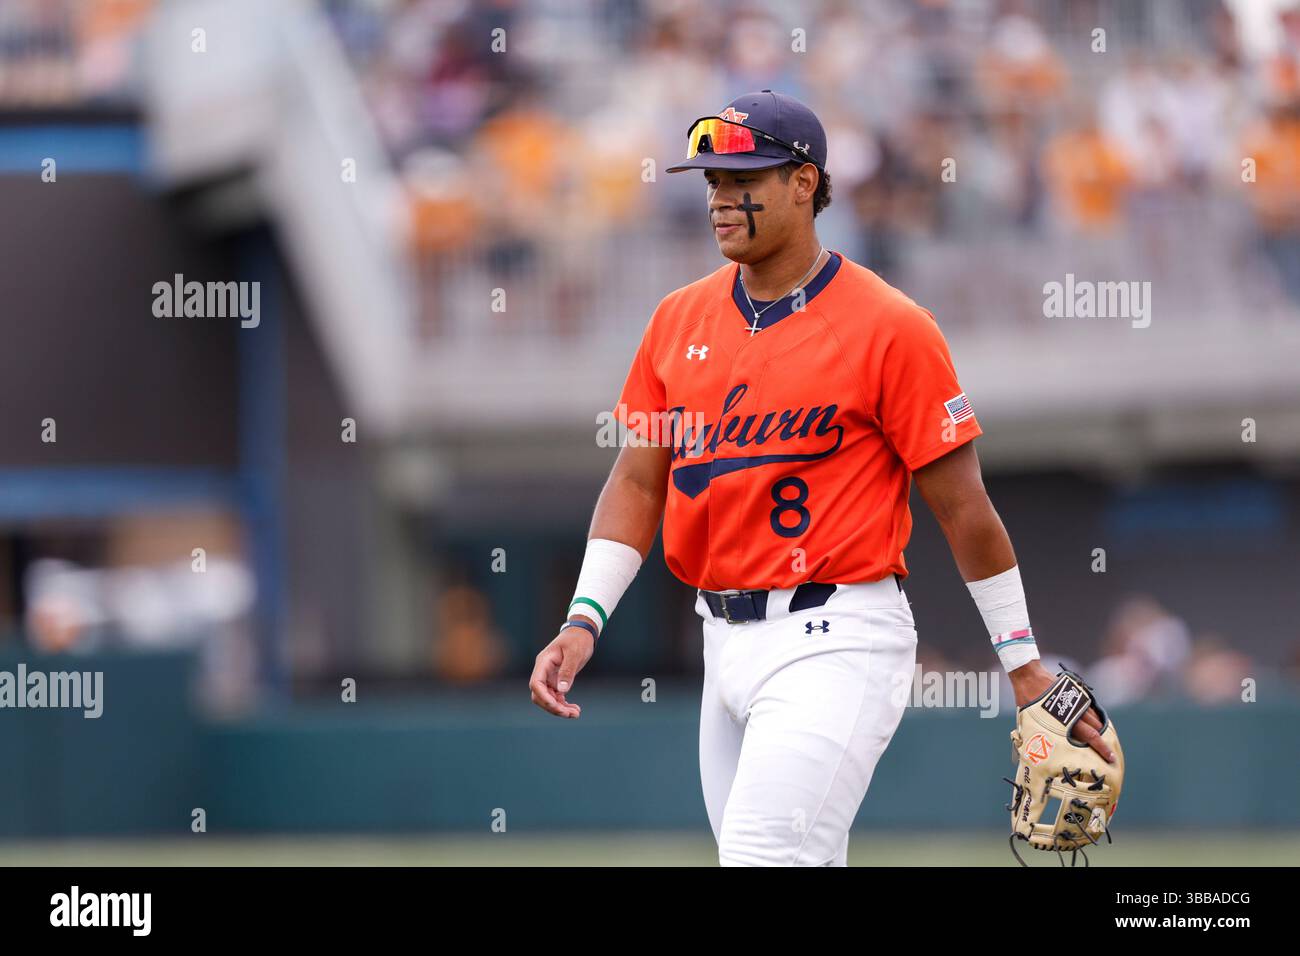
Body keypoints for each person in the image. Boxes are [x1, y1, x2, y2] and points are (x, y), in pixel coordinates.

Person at [528, 91, 1115, 867]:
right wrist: (583, 618)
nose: (721, 200)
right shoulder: (678, 320)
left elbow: (964, 508)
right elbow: (638, 484)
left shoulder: (890, 324)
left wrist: (1024, 663)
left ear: (805, 183)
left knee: (762, 858)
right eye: (711, 182)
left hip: (837, 638)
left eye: (745, 181)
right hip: (722, 644)